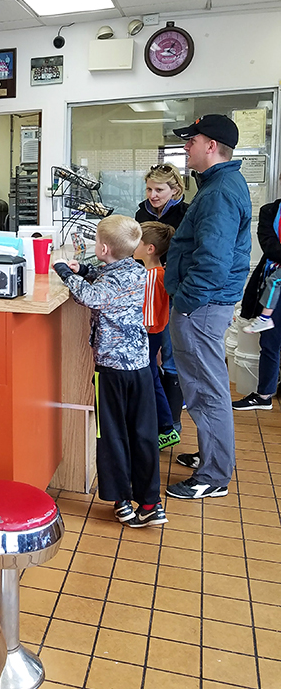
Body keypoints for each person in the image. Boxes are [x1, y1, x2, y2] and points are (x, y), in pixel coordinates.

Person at [53, 215, 166, 528]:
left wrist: (64, 270)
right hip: (140, 367)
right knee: (143, 433)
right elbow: (112, 283)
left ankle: (121, 501)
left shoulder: (108, 282)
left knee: (111, 433)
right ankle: (150, 502)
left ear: (103, 247)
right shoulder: (137, 269)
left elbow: (91, 297)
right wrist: (87, 270)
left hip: (111, 370)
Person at [163, 114, 252, 498]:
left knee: (206, 390)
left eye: (191, 141)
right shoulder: (221, 183)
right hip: (207, 303)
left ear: (210, 145)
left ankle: (213, 477)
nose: (186, 147)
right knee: (203, 386)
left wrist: (183, 302)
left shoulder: (217, 192)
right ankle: (210, 455)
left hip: (200, 306)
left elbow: (212, 261)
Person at [135, 163, 189, 426]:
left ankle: (171, 422)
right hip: (147, 292)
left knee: (170, 358)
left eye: (159, 189)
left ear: (175, 190)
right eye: (149, 189)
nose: (152, 195)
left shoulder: (185, 215)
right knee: (150, 360)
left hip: (172, 293)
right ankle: (154, 418)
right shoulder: (140, 213)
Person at [232, 196, 281, 410]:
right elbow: (270, 247)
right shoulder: (270, 211)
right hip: (274, 280)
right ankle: (264, 395)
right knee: (270, 343)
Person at [135, 222, 180, 450]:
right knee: (152, 376)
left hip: (148, 333)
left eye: (137, 241)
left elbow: (148, 314)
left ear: (150, 249)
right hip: (156, 333)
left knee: (151, 378)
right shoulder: (158, 273)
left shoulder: (153, 276)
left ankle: (165, 427)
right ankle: (164, 425)